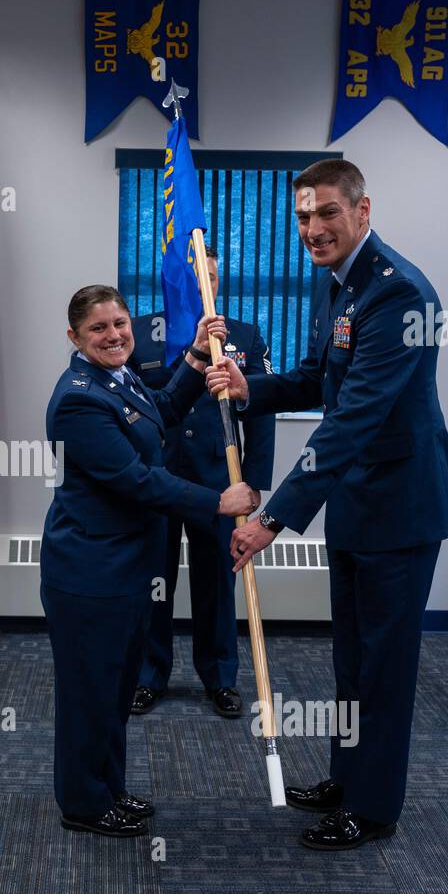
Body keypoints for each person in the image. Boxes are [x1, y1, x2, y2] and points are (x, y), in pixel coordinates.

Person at [207, 160, 448, 850]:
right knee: (351, 659)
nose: (313, 228)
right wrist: (248, 387)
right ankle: (346, 779)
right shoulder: (339, 285)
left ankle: (374, 806)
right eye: (302, 216)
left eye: (326, 213)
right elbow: (322, 378)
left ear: (362, 210)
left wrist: (272, 516)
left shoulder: (399, 294)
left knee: (384, 665)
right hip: (356, 505)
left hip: (401, 510)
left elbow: (351, 419)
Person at [42, 284, 255, 837]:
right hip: (91, 573)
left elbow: (157, 409)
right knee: (90, 694)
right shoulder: (78, 399)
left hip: (124, 569)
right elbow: (136, 481)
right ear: (74, 337)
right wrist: (217, 501)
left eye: (120, 323)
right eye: (99, 328)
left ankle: (108, 788)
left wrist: (190, 358)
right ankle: (84, 805)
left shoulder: (119, 376)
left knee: (112, 690)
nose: (114, 335)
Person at [126, 245, 276, 719]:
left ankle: (220, 678)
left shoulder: (245, 337)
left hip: (219, 482)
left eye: (211, 277)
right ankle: (150, 674)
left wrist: (254, 481)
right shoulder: (142, 335)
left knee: (217, 583)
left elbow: (263, 411)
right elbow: (133, 411)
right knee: (154, 581)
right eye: (194, 277)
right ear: (174, 282)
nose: (202, 285)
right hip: (160, 479)